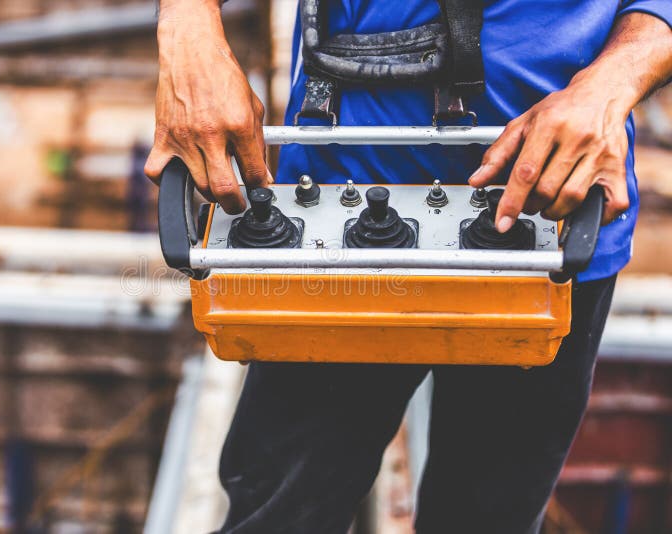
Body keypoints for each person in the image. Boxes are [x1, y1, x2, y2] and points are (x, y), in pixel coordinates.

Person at [146, 1, 672, 532]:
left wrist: (611, 84)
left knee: (488, 519)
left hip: (556, 215)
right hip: (334, 230)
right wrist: (189, 33)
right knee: (281, 512)